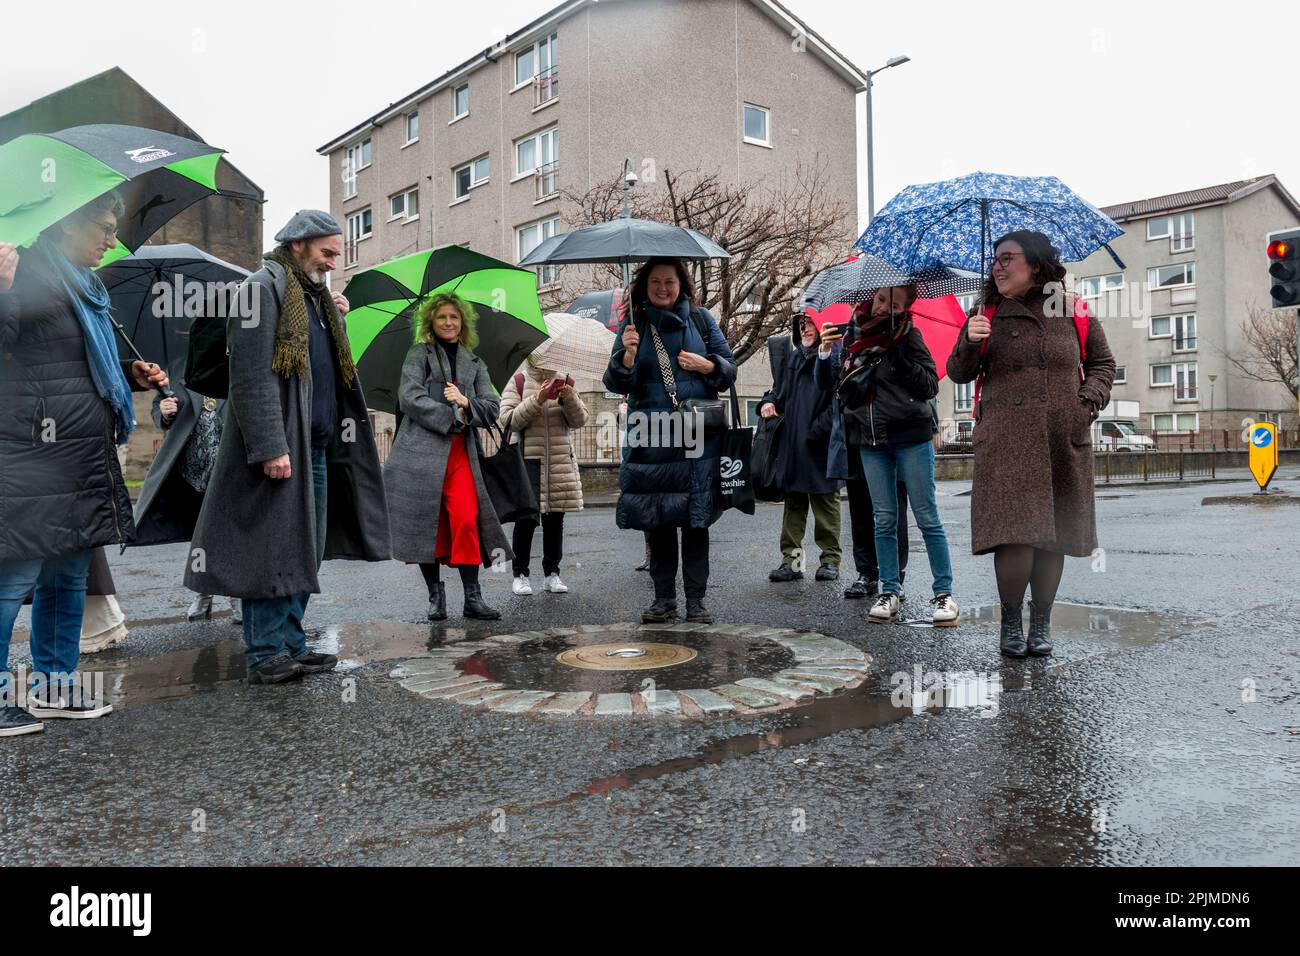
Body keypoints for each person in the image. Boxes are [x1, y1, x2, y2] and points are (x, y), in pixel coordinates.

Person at [184, 210, 391, 684]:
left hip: (316, 445)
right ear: (298, 244)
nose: (334, 260)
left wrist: (331, 317)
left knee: (306, 550)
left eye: (337, 253)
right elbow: (252, 378)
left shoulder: (313, 296)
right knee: (271, 551)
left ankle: (292, 642)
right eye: (327, 251)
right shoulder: (261, 289)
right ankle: (264, 652)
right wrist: (270, 448)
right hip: (283, 448)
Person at [0, 192, 170, 736]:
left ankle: (53, 683)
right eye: (101, 225)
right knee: (13, 575)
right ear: (65, 223)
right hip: (31, 458)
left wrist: (126, 371)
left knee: (67, 576)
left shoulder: (85, 288)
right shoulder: (22, 272)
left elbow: (63, 357)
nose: (110, 239)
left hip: (81, 458)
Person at [947, 231, 1115, 657]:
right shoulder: (985, 312)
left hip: (1061, 437)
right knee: (1015, 537)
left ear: (1036, 264)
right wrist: (970, 339)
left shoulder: (1073, 309)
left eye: (1007, 258)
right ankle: (1009, 625)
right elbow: (958, 373)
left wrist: (1086, 404)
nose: (998, 267)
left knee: (1051, 537)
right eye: (995, 260)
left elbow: (1102, 364)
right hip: (1007, 442)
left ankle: (1040, 623)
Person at [604, 257, 738, 624]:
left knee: (695, 520)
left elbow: (729, 369)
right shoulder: (634, 324)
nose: (663, 288)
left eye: (670, 281)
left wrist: (707, 366)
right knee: (658, 519)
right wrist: (627, 356)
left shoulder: (701, 319)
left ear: (682, 284)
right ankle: (664, 600)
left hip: (695, 437)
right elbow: (615, 383)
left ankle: (696, 601)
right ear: (644, 287)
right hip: (651, 438)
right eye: (655, 282)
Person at [820, 286, 960, 627]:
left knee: (926, 516)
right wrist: (828, 354)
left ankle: (943, 594)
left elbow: (929, 384)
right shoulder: (853, 335)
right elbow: (838, 387)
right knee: (883, 518)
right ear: (871, 297)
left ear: (906, 308)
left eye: (895, 305)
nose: (885, 308)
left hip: (910, 436)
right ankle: (889, 590)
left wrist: (898, 356)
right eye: (882, 300)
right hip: (870, 440)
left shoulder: (910, 336)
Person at [385, 292, 512, 622]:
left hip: (460, 455)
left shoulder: (475, 362)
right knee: (427, 525)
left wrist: (466, 402)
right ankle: (435, 598)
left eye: (454, 317)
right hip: (419, 453)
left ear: (462, 322)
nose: (448, 323)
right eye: (441, 317)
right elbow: (409, 397)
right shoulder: (418, 355)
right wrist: (449, 414)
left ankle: (473, 597)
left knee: (466, 518)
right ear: (431, 322)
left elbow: (493, 407)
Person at [133, 355, 238, 622]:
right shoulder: (179, 366)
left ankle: (235, 595)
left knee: (227, 532)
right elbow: (158, 408)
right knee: (199, 536)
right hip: (190, 468)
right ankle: (204, 593)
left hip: (227, 465)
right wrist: (164, 411)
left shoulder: (238, 356)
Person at [817, 315, 910, 601]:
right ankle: (866, 573)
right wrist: (824, 352)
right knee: (859, 510)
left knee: (893, 511)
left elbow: (918, 385)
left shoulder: (902, 335)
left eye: (883, 301)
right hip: (856, 435)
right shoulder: (848, 341)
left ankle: (895, 575)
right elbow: (827, 385)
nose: (877, 306)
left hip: (890, 434)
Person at [761, 315, 843, 582]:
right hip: (794, 445)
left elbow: (838, 401)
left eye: (809, 322)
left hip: (819, 445)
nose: (804, 328)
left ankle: (830, 561)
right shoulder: (795, 359)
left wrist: (817, 430)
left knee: (825, 505)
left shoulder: (834, 357)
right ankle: (792, 562)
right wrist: (768, 402)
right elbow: (778, 391)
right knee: (794, 506)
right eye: (800, 324)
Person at [499, 357, 589, 596]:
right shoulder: (519, 381)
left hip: (559, 462)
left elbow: (580, 421)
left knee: (555, 520)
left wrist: (568, 397)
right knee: (526, 521)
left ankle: (552, 574)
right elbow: (507, 420)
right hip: (528, 462)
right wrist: (537, 398)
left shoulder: (566, 380)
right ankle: (520, 575)